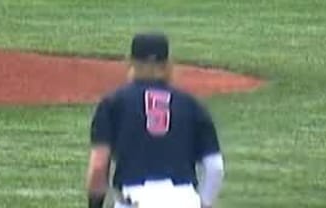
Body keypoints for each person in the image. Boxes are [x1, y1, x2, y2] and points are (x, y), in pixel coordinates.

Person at [86, 33, 226, 208]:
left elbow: (99, 167)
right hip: (185, 200)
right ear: (168, 64)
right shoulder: (192, 105)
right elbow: (215, 167)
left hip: (135, 199)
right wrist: (203, 203)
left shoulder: (113, 103)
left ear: (130, 62)